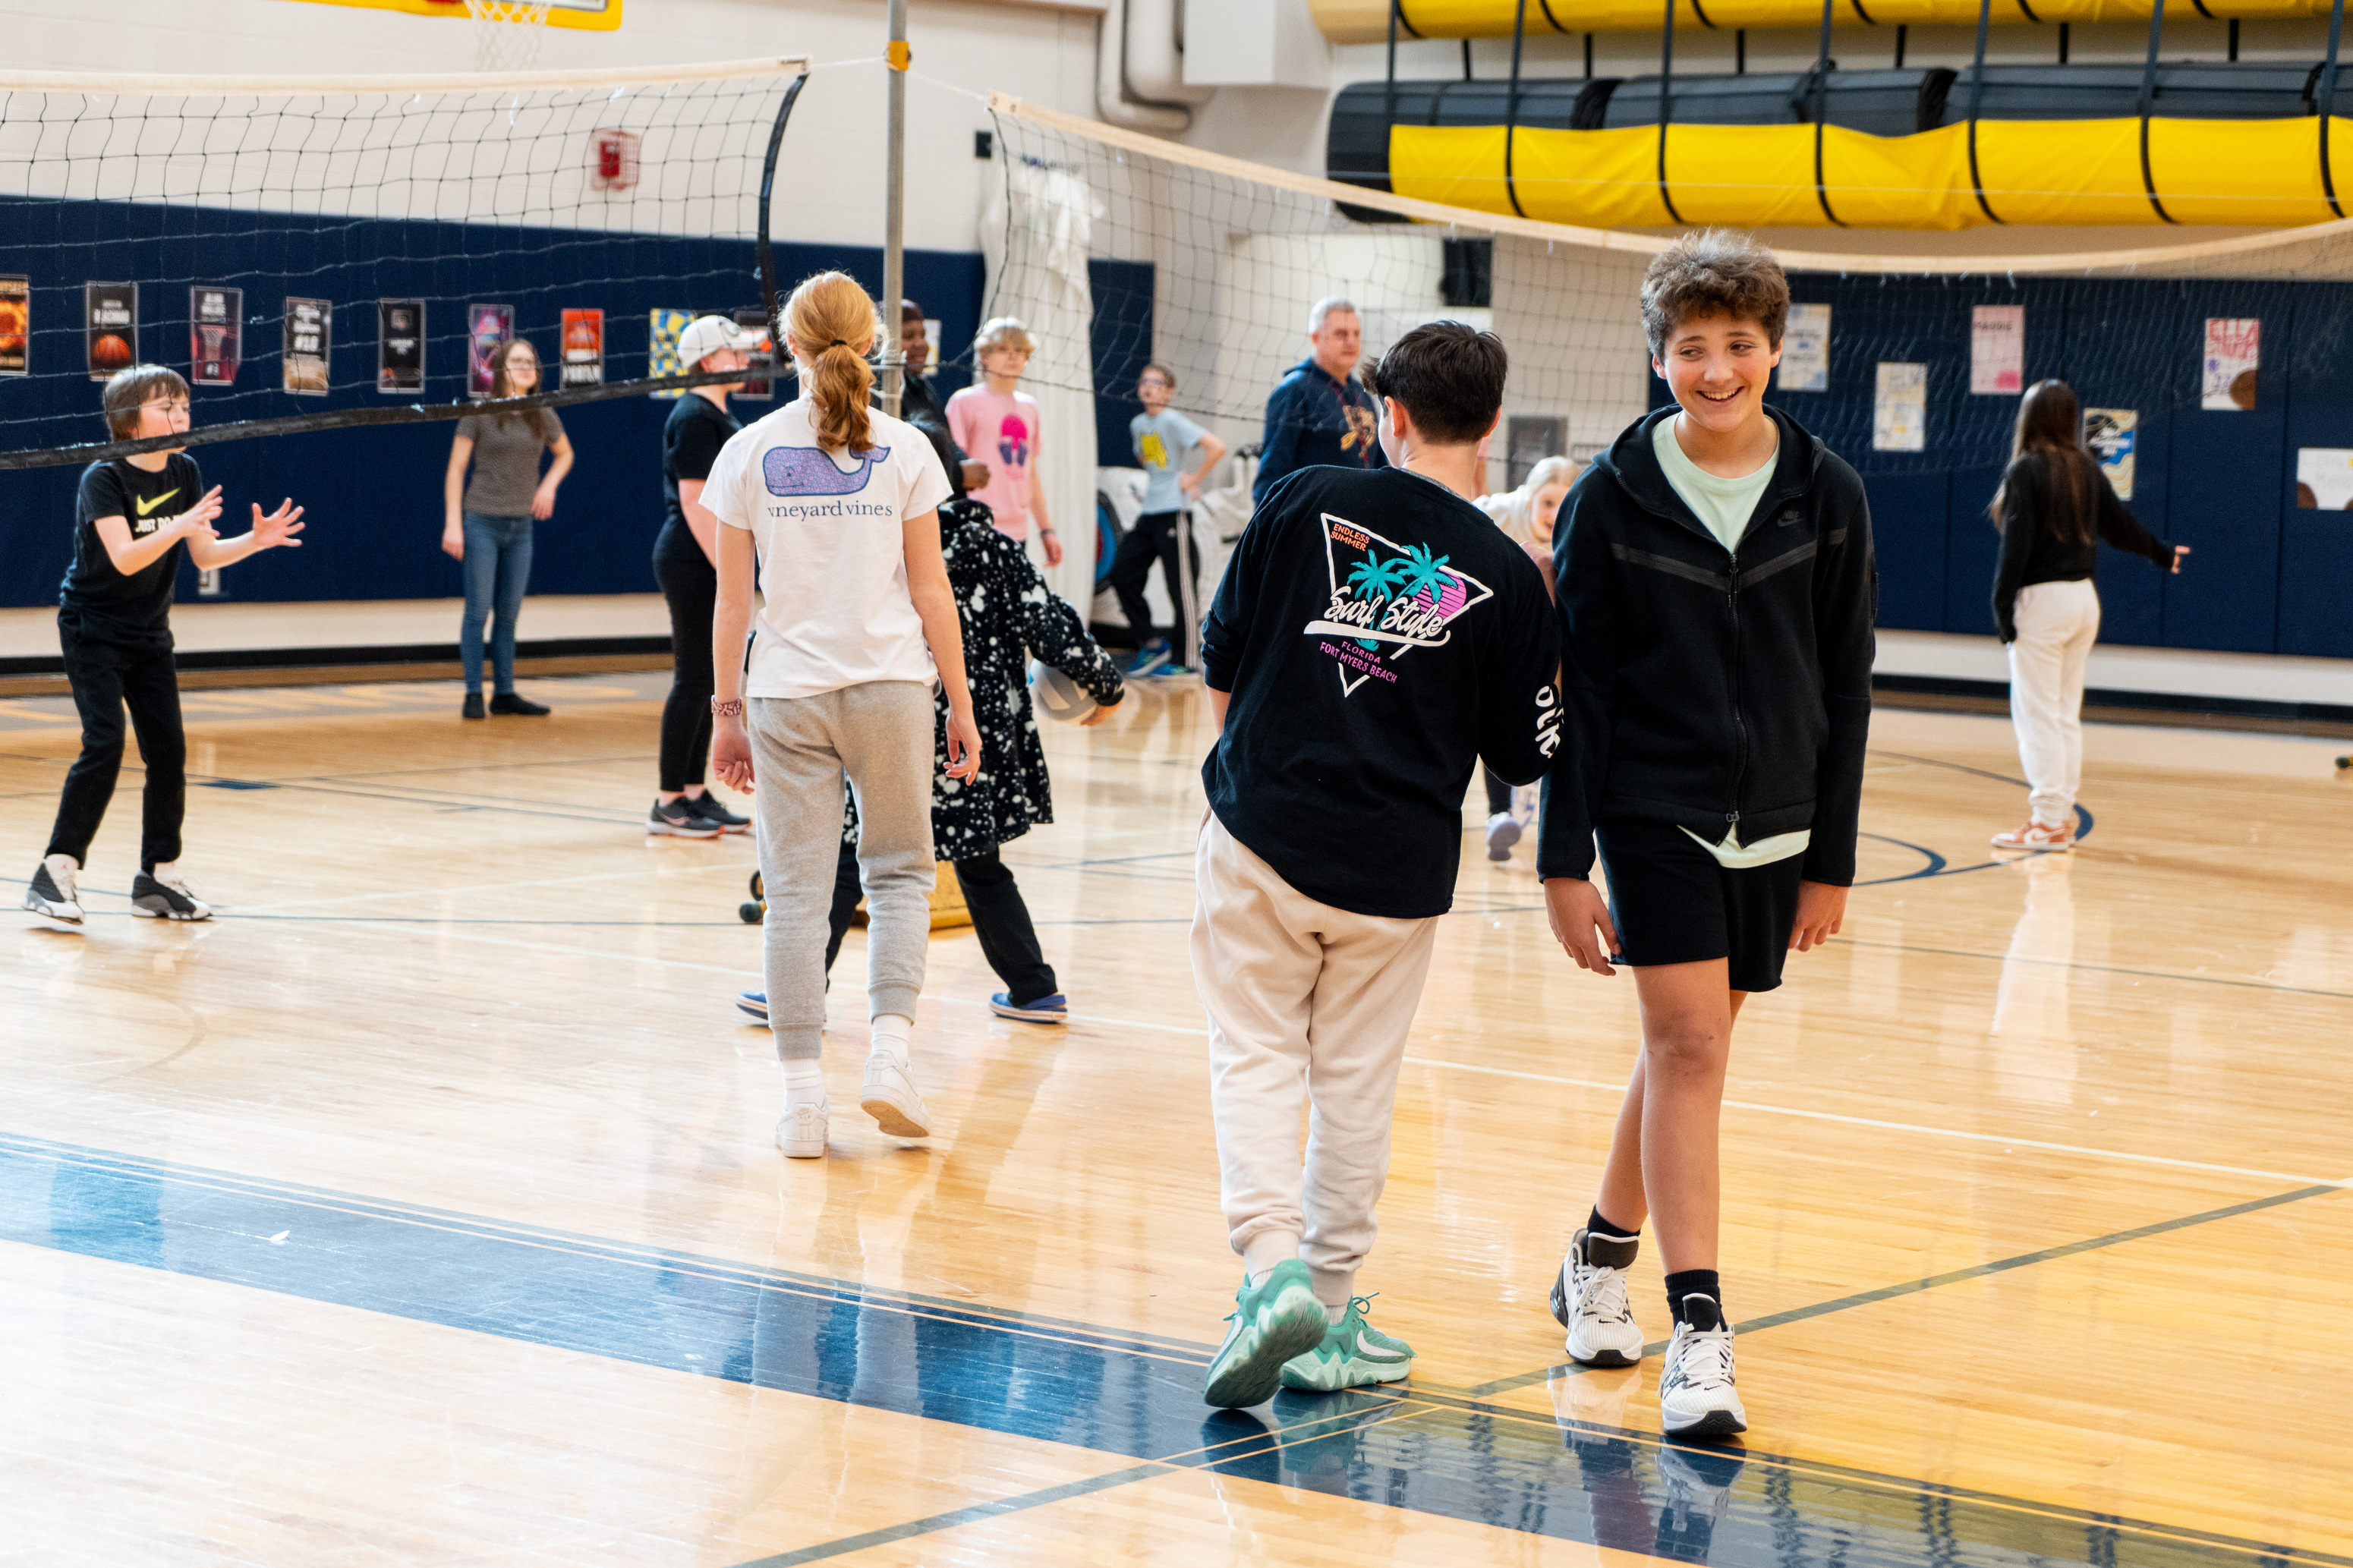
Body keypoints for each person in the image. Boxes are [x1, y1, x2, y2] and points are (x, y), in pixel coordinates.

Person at [1538, 230, 1876, 1440]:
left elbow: (1847, 682)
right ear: (1658, 358)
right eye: (1693, 348)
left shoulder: (1829, 493)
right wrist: (1561, 857)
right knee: (1687, 1048)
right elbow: (1580, 689)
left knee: (1691, 1048)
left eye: (1739, 345)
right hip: (1654, 810)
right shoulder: (1612, 498)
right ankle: (1700, 1332)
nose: (1718, 368)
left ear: (1777, 351)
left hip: (1778, 823)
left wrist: (1831, 853)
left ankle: (1595, 1253)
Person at [1192, 321, 1563, 1408]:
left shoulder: (1301, 497)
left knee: (1254, 1052)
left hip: (1261, 827)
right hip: (1395, 866)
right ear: (1491, 426)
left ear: (1388, 414)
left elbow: (1221, 658)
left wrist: (1241, 787)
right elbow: (1524, 757)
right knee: (1355, 1080)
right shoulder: (1508, 574)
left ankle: (1272, 1278)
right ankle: (1334, 1315)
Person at [705, 270, 984, 1160]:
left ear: (786, 346)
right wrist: (961, 700)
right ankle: (890, 1062)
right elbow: (931, 590)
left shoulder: (744, 451)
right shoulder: (905, 448)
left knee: (794, 894)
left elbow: (730, 604)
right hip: (891, 687)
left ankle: (800, 1104)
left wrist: (724, 712)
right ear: (871, 344)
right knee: (900, 874)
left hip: (786, 692)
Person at [739, 423, 1126, 1029]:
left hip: (889, 714)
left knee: (848, 855)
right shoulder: (990, 546)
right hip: (970, 733)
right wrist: (1106, 687)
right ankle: (1034, 990)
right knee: (979, 861)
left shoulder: (869, 540)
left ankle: (793, 990)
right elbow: (1052, 623)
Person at [22, 364, 305, 926]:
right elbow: (126, 557)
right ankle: (54, 874)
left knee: (169, 752)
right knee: (104, 744)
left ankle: (158, 878)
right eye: (166, 407)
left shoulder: (185, 469)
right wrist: (177, 525)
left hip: (149, 632)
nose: (180, 416)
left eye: (184, 406)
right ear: (130, 422)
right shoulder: (102, 478)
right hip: (92, 626)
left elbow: (204, 554)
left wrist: (256, 540)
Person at [1988, 379, 2188, 852]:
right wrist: (2162, 553)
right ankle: (2060, 815)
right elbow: (2120, 528)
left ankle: (2047, 821)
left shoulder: (2025, 470)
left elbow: (2014, 550)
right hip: (2083, 601)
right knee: (2062, 715)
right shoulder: (2084, 467)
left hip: (2043, 604)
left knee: (2037, 716)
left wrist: (2001, 607)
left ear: (2029, 418)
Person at [648, 314, 763, 838]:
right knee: (694, 678)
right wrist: (729, 568)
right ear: (712, 360)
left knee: (708, 677)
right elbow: (695, 501)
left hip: (708, 556)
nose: (744, 360)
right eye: (736, 353)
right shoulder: (694, 416)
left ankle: (695, 793)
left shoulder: (715, 414)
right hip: (693, 557)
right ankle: (670, 799)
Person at [442, 336, 573, 720]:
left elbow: (565, 454)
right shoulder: (479, 411)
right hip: (481, 520)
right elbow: (455, 470)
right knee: (478, 611)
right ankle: (471, 694)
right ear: (501, 369)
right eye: (517, 361)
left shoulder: (541, 412)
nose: (526, 367)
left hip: (521, 527)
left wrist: (547, 486)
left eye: (531, 361)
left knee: (509, 615)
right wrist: (453, 523)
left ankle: (504, 692)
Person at [1473, 453, 1577, 861]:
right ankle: (1500, 814)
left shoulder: (1578, 533)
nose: (1553, 513)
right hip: (1500, 633)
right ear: (1530, 499)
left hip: (1549, 636)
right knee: (1493, 709)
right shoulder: (1500, 513)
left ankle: (1564, 815)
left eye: (1562, 504)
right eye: (1547, 503)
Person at [1114, 362, 1227, 678]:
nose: (1149, 387)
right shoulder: (1138, 424)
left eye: (1157, 382)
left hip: (1174, 513)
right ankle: (1152, 643)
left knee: (1181, 589)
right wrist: (1169, 479)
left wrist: (1192, 480)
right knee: (1123, 573)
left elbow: (1217, 447)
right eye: (1144, 382)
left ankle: (1189, 658)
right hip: (1149, 511)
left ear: (1169, 392)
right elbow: (1147, 460)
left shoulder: (1173, 420)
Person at [947, 318, 1061, 568]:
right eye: (1003, 349)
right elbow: (951, 467)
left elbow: (1030, 473)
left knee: (1011, 606)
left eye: (1019, 350)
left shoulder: (1030, 407)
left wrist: (1047, 530)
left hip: (1018, 530)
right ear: (985, 356)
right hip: (976, 524)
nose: (1013, 356)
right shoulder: (964, 401)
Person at [1252, 296, 1385, 504]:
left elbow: (1379, 465)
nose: (1351, 341)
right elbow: (1273, 471)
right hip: (1312, 517)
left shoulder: (1361, 393)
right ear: (1316, 338)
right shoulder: (1294, 390)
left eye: (1356, 334)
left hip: (1358, 518)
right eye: (1341, 334)